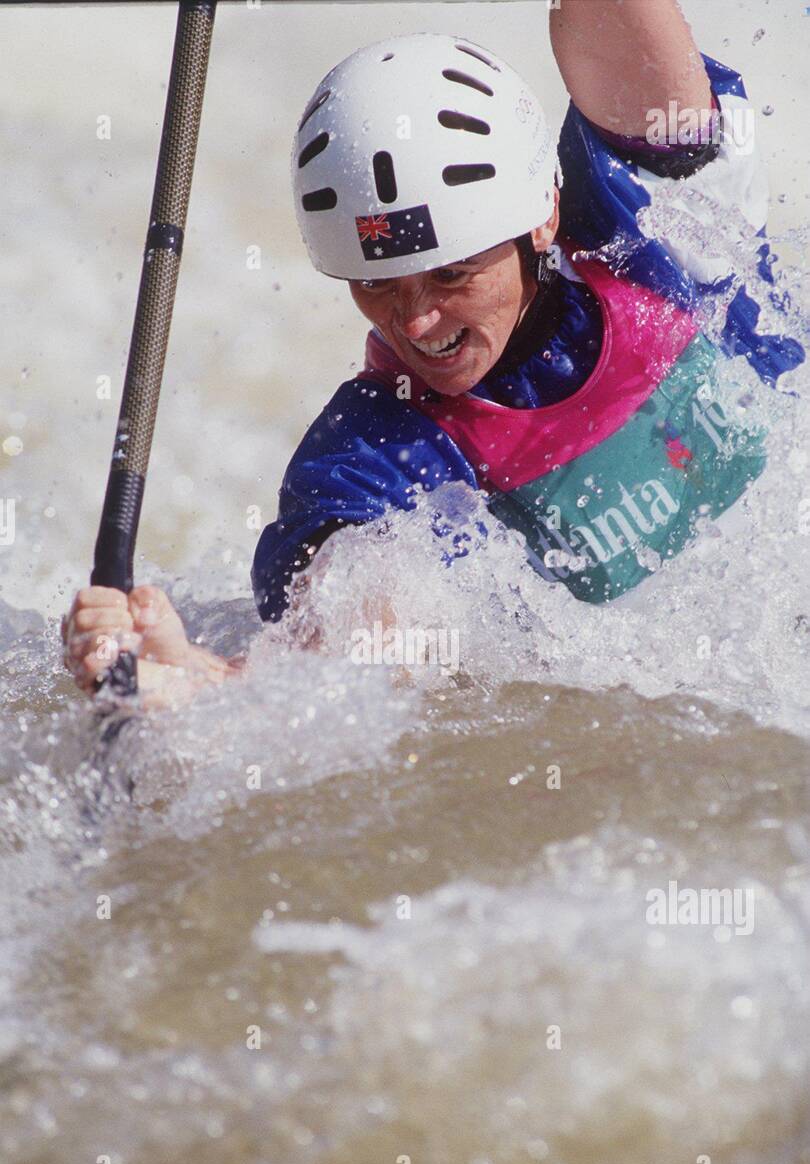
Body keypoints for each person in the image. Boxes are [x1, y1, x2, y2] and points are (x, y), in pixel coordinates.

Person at [63, 0, 803, 707]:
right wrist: (195, 682)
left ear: (541, 215)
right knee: (387, 573)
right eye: (377, 285)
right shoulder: (383, 446)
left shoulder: (645, 227)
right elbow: (365, 638)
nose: (414, 324)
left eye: (451, 274)